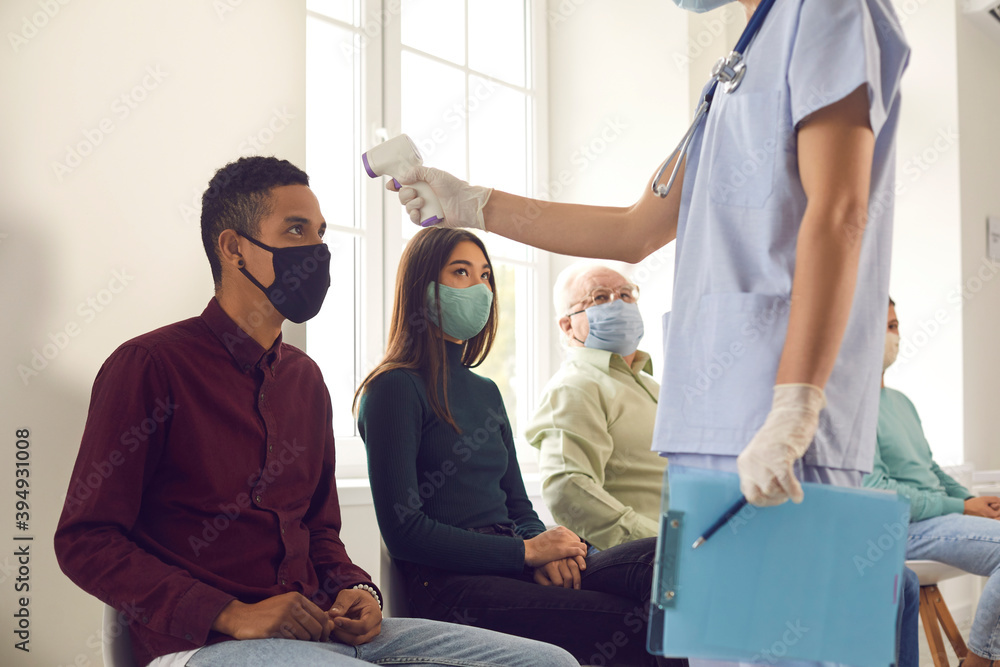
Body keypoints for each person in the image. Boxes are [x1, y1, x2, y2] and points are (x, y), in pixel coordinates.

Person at [389, 1, 909, 663]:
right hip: (715, 428)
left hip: (782, 417)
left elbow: (839, 210)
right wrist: (473, 203)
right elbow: (634, 231)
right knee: (723, 652)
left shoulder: (826, 10)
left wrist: (796, 403)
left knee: (793, 650)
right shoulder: (737, 66)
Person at [53, 157, 578, 667]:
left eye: (321, 233)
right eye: (296, 231)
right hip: (205, 644)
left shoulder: (304, 380)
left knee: (551, 662)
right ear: (234, 248)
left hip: (322, 631)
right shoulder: (149, 365)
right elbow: (86, 541)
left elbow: (320, 530)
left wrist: (356, 588)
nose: (318, 250)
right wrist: (231, 613)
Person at [356, 227, 687, 667]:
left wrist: (541, 548)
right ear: (422, 289)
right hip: (452, 588)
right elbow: (405, 533)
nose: (480, 288)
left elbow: (517, 503)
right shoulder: (393, 389)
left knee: (663, 563)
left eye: (486, 276)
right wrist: (526, 553)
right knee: (640, 622)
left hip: (514, 564)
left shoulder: (486, 391)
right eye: (461, 272)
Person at [864, 297, 1000, 667]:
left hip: (940, 518)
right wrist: (960, 506)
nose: (895, 336)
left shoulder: (901, 402)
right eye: (886, 327)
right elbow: (879, 489)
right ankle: (977, 662)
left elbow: (931, 470)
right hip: (906, 526)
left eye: (896, 326)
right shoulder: (855, 410)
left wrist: (973, 500)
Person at [525, 262, 666, 550]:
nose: (620, 303)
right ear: (566, 324)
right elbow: (567, 489)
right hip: (643, 556)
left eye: (627, 295)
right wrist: (661, 544)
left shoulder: (654, 387)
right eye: (600, 297)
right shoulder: (575, 386)